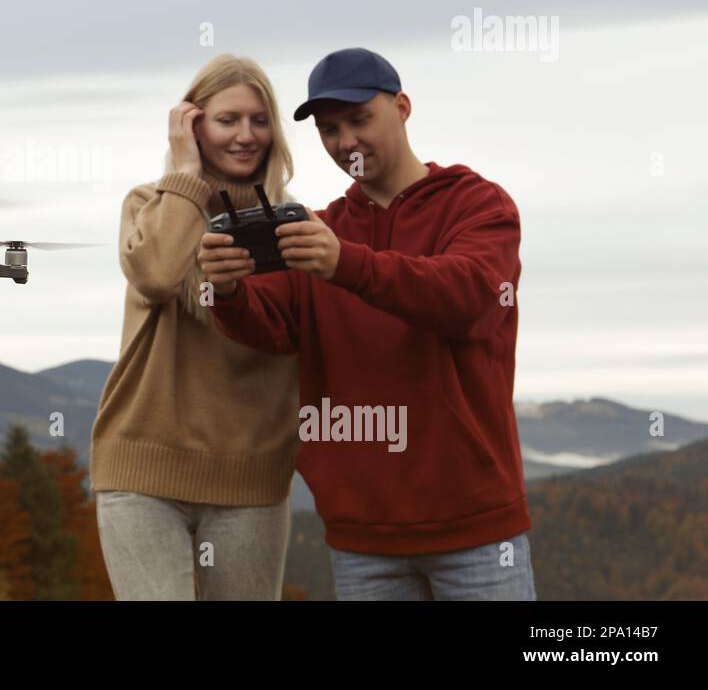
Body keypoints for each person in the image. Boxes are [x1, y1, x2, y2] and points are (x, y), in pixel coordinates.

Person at [198, 47, 536, 600]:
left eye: (360, 119)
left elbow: (472, 298)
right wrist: (227, 290)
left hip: (476, 530)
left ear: (402, 107)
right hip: (361, 542)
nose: (346, 142)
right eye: (330, 130)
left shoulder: (477, 206)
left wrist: (346, 264)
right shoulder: (322, 229)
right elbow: (272, 327)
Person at [90, 54, 301, 600]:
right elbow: (158, 275)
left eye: (259, 120)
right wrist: (185, 176)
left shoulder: (297, 226)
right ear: (191, 124)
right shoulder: (149, 204)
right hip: (142, 469)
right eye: (227, 120)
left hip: (250, 477)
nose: (246, 135)